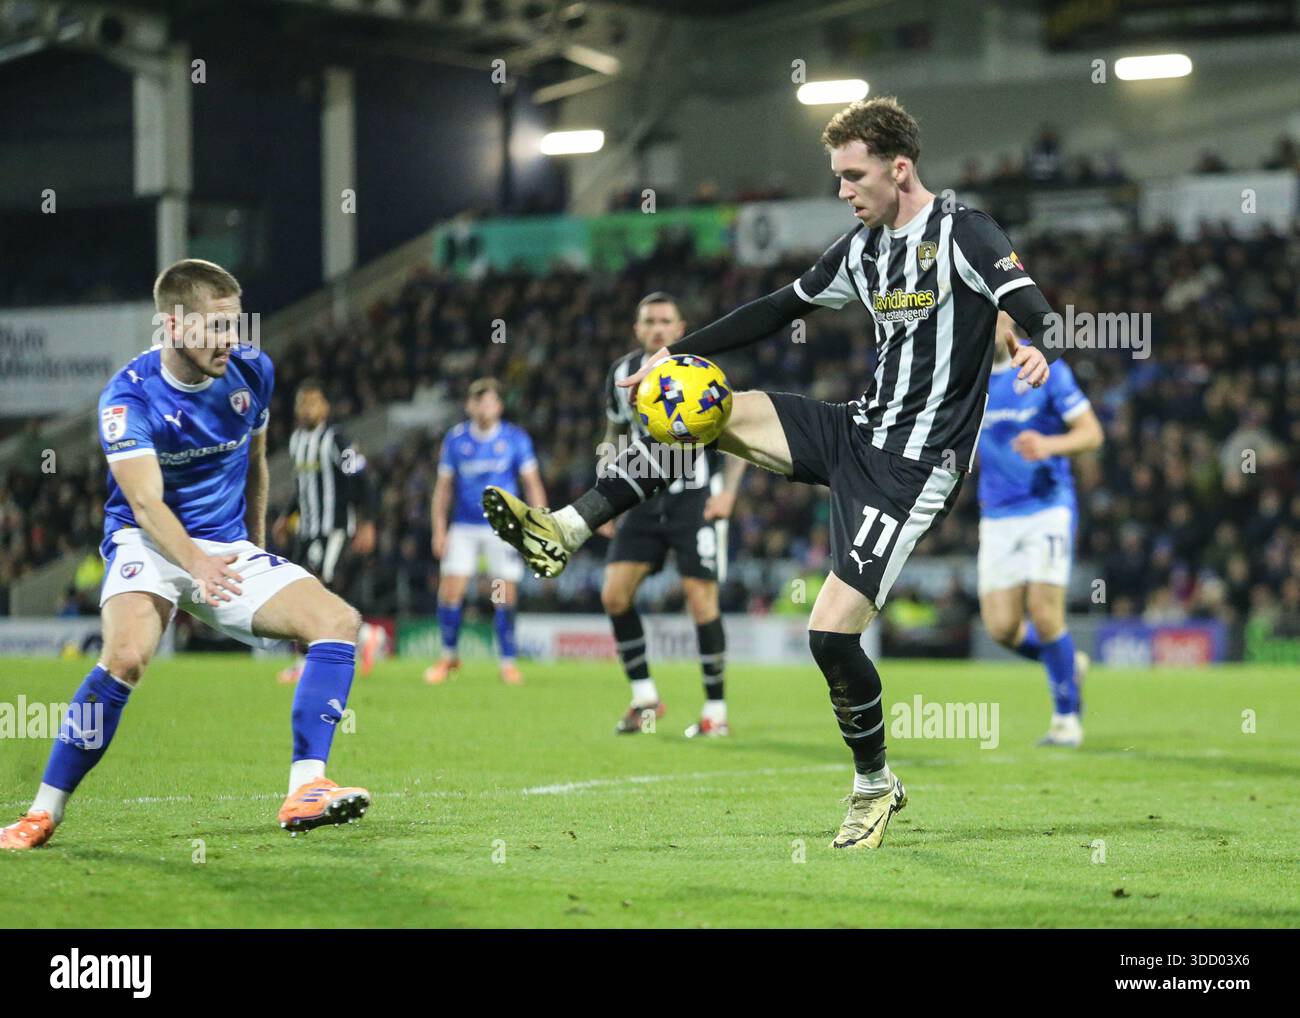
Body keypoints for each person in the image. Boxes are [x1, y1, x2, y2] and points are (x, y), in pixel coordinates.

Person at [483, 96, 1059, 850]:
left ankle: (873, 785)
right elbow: (777, 306)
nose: (844, 191)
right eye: (838, 178)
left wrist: (1028, 341)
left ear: (899, 168)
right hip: (853, 428)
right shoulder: (862, 248)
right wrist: (675, 353)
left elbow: (1034, 306)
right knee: (700, 408)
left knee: (829, 637)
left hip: (913, 468)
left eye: (854, 176)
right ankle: (566, 527)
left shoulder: (964, 231)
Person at [1, 259, 370, 850]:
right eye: (215, 328)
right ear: (174, 327)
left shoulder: (253, 372)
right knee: (125, 658)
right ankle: (42, 812)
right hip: (145, 544)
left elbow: (254, 464)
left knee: (339, 622)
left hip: (224, 548)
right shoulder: (128, 398)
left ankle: (307, 786)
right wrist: (194, 566)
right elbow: (145, 504)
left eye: (235, 325)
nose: (231, 341)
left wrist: (253, 547)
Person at [600, 293, 748, 737]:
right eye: (649, 321)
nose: (657, 328)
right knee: (613, 595)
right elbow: (614, 430)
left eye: (666, 320)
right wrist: (605, 494)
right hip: (643, 499)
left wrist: (730, 495)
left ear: (681, 328)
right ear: (637, 328)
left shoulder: (697, 371)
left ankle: (715, 713)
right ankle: (645, 698)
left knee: (700, 601)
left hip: (693, 498)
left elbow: (738, 428)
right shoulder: (623, 373)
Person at [977, 312, 1102, 747]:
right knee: (1002, 629)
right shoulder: (969, 378)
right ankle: (1069, 664)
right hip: (996, 514)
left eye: (996, 314)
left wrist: (1048, 444)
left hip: (1047, 507)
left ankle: (1067, 720)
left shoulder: (1044, 368)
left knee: (1046, 615)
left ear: (1015, 320)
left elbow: (1091, 433)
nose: (988, 323)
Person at [426, 378, 546, 686]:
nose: (483, 407)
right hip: (464, 527)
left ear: (499, 406)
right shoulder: (455, 440)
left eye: (489, 401)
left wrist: (539, 523)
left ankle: (507, 662)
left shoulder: (515, 438)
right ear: (469, 405)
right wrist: (439, 530)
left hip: (502, 527)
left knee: (503, 593)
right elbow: (443, 490)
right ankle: (449, 656)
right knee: (451, 590)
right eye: (478, 401)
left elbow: (531, 483)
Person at [272, 378, 382, 683]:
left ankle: (317, 656)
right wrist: (286, 516)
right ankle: (362, 637)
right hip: (306, 531)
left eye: (313, 402)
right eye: (302, 403)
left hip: (333, 529)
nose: (307, 409)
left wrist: (368, 522)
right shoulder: (296, 442)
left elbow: (363, 478)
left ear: (325, 407)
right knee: (301, 592)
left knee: (315, 590)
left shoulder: (337, 440)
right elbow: (302, 488)